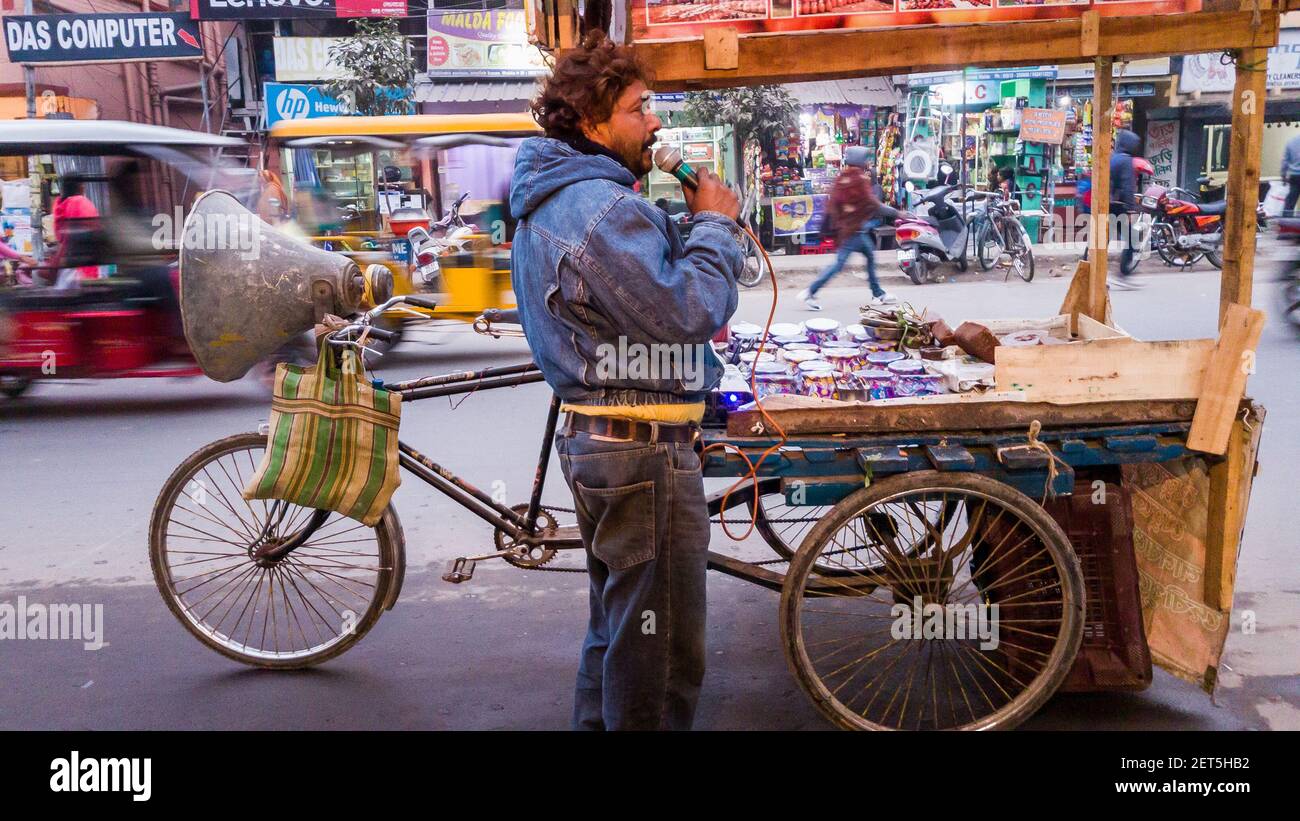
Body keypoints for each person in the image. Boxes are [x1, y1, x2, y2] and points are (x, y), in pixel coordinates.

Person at [509, 31, 744, 731]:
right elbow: (692, 307)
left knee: (619, 633)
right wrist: (713, 225)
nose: (655, 123)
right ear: (590, 121)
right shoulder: (599, 211)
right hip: (641, 452)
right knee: (659, 650)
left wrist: (690, 222)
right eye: (641, 109)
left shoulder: (559, 200)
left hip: (602, 444)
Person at [798, 147, 897, 309]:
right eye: (866, 159)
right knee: (839, 264)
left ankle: (878, 293)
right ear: (860, 161)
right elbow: (873, 204)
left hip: (849, 229)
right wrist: (897, 213)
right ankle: (811, 291)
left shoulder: (841, 178)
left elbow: (833, 204)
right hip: (854, 231)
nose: (867, 163)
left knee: (868, 256)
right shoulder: (859, 180)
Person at [1110, 128, 1142, 288]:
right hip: (1118, 206)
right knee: (1133, 239)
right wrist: (1131, 209)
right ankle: (1123, 273)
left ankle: (1087, 269)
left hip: (1108, 204)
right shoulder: (1125, 161)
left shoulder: (1113, 158)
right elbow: (1128, 186)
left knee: (1099, 240)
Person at [1284, 132, 1300, 217]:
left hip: (1294, 176)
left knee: (1290, 202)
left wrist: (1283, 175)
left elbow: (1285, 161)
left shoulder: (1291, 142)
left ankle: (1286, 224)